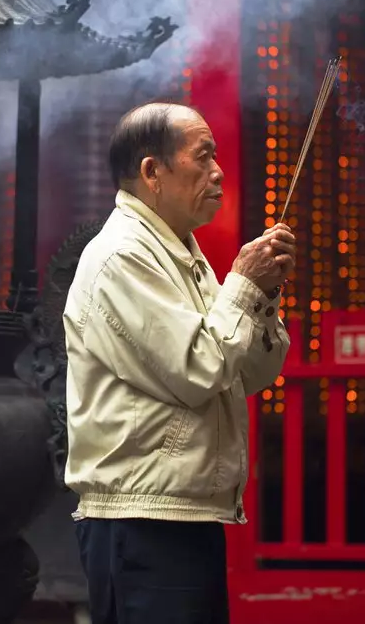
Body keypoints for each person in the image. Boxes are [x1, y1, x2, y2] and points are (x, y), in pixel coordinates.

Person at [63, 102, 296, 623]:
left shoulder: (178, 254)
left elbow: (253, 374)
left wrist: (261, 295)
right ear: (152, 171)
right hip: (141, 519)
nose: (218, 172)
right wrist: (241, 284)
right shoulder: (121, 255)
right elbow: (201, 370)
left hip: (178, 512)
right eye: (204, 156)